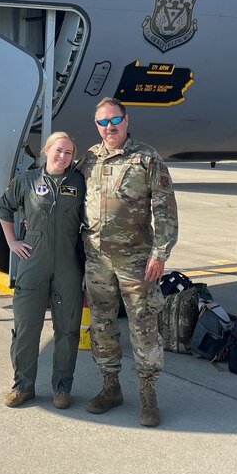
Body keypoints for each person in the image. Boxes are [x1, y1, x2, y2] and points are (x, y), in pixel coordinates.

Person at [79, 97, 177, 427]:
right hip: (97, 261)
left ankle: (148, 395)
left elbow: (165, 211)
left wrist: (160, 254)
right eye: (102, 122)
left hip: (137, 261)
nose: (109, 127)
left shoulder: (147, 159)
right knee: (102, 325)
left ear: (126, 119)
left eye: (114, 120)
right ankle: (110, 388)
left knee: (144, 325)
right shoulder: (89, 159)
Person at [0, 131, 87, 409]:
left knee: (68, 330)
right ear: (46, 151)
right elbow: (4, 208)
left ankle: (62, 388)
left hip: (69, 263)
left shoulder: (79, 183)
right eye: (58, 150)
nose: (63, 156)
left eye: (69, 153)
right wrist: (12, 241)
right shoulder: (26, 180)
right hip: (33, 260)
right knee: (25, 327)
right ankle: (23, 386)